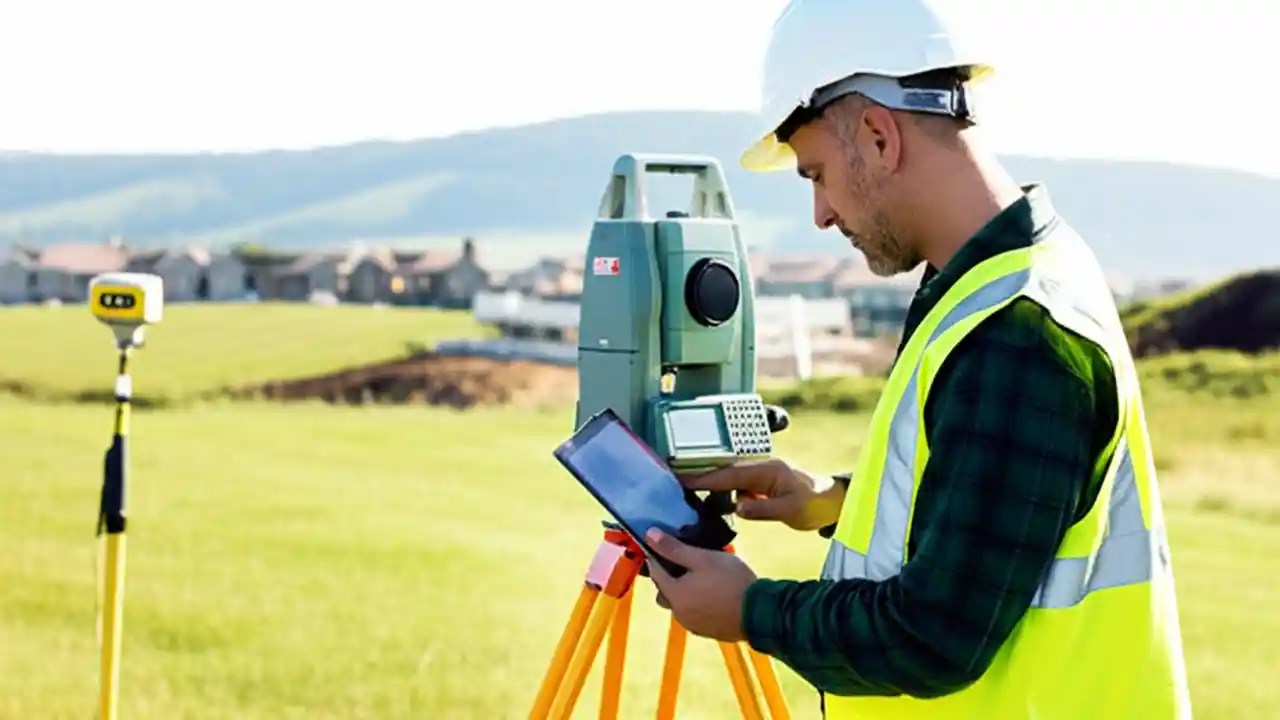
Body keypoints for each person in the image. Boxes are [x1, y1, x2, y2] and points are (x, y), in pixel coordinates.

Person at [641, 1, 1193, 717]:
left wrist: (753, 609)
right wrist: (831, 501)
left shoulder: (1016, 328)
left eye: (816, 175)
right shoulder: (1014, 275)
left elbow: (932, 636)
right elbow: (1000, 516)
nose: (821, 214)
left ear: (878, 136)